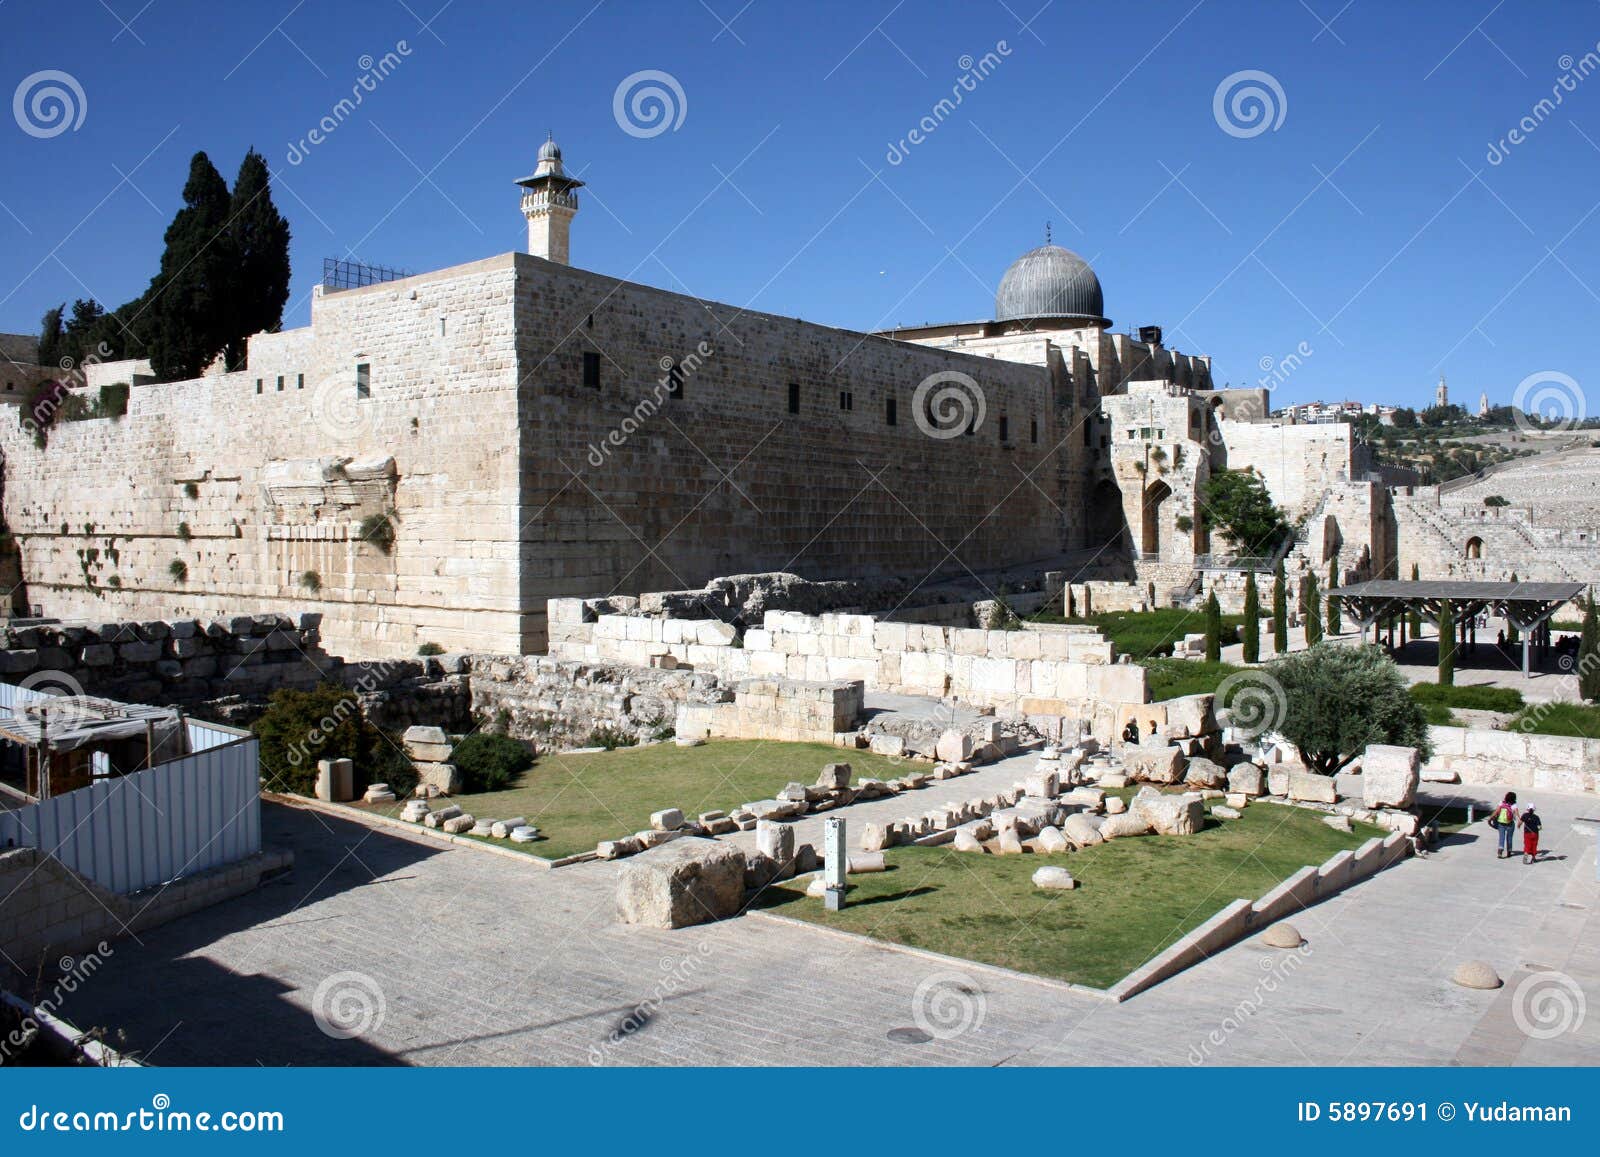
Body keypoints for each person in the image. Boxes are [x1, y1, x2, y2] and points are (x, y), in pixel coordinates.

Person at [1489, 792, 1518, 859]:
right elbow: (1517, 814)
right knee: (1509, 838)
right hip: (1510, 823)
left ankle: (1500, 852)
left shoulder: (1501, 803)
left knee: (1501, 837)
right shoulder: (1514, 805)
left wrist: (1490, 818)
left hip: (1501, 823)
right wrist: (1519, 820)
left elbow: (1496, 811)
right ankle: (1509, 851)